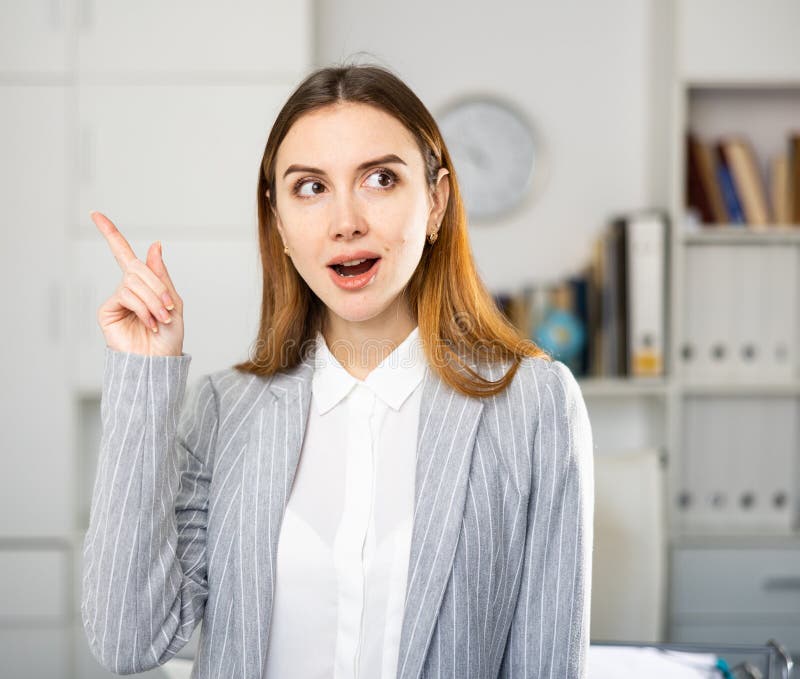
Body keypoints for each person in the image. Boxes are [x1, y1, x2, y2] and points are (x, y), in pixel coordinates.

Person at [81, 62, 594, 679]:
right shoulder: (223, 411)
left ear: (435, 202)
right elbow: (128, 639)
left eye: (380, 179)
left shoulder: (535, 406)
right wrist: (144, 376)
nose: (346, 221)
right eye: (310, 187)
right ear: (279, 223)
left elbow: (547, 665)